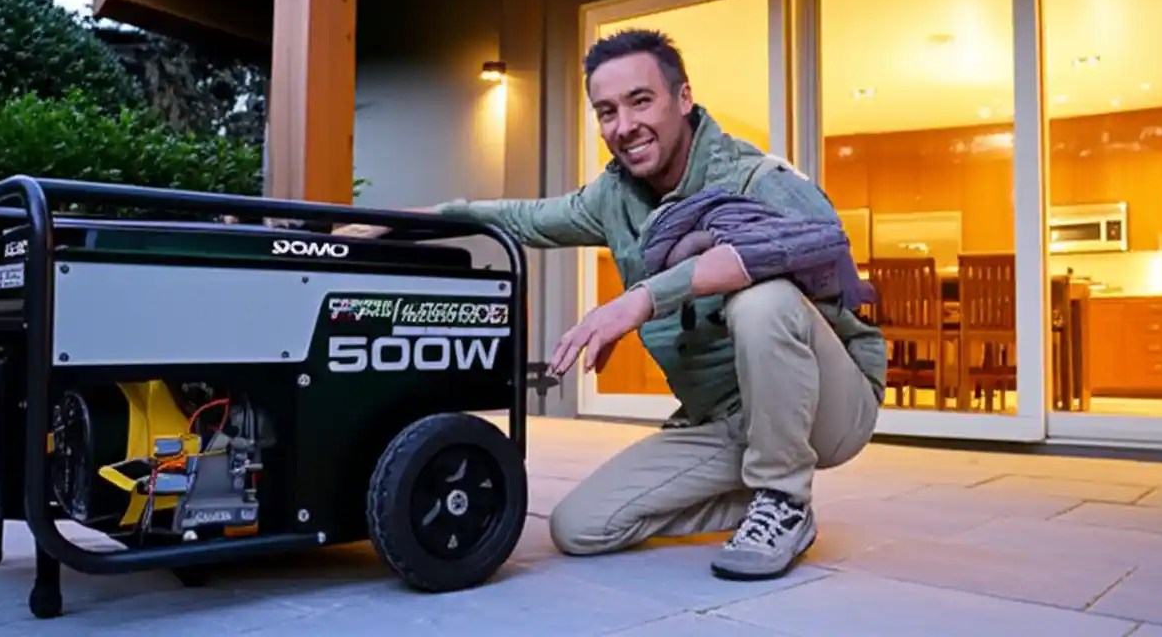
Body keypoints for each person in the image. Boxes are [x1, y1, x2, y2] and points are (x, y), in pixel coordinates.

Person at [334, 28, 886, 581]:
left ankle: (783, 498)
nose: (624, 126)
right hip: (724, 419)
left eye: (640, 101)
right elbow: (524, 219)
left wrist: (640, 300)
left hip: (827, 407)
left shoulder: (754, 177)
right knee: (580, 527)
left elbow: (813, 241)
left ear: (683, 98)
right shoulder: (614, 197)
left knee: (763, 300)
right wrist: (415, 219)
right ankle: (760, 502)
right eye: (607, 112)